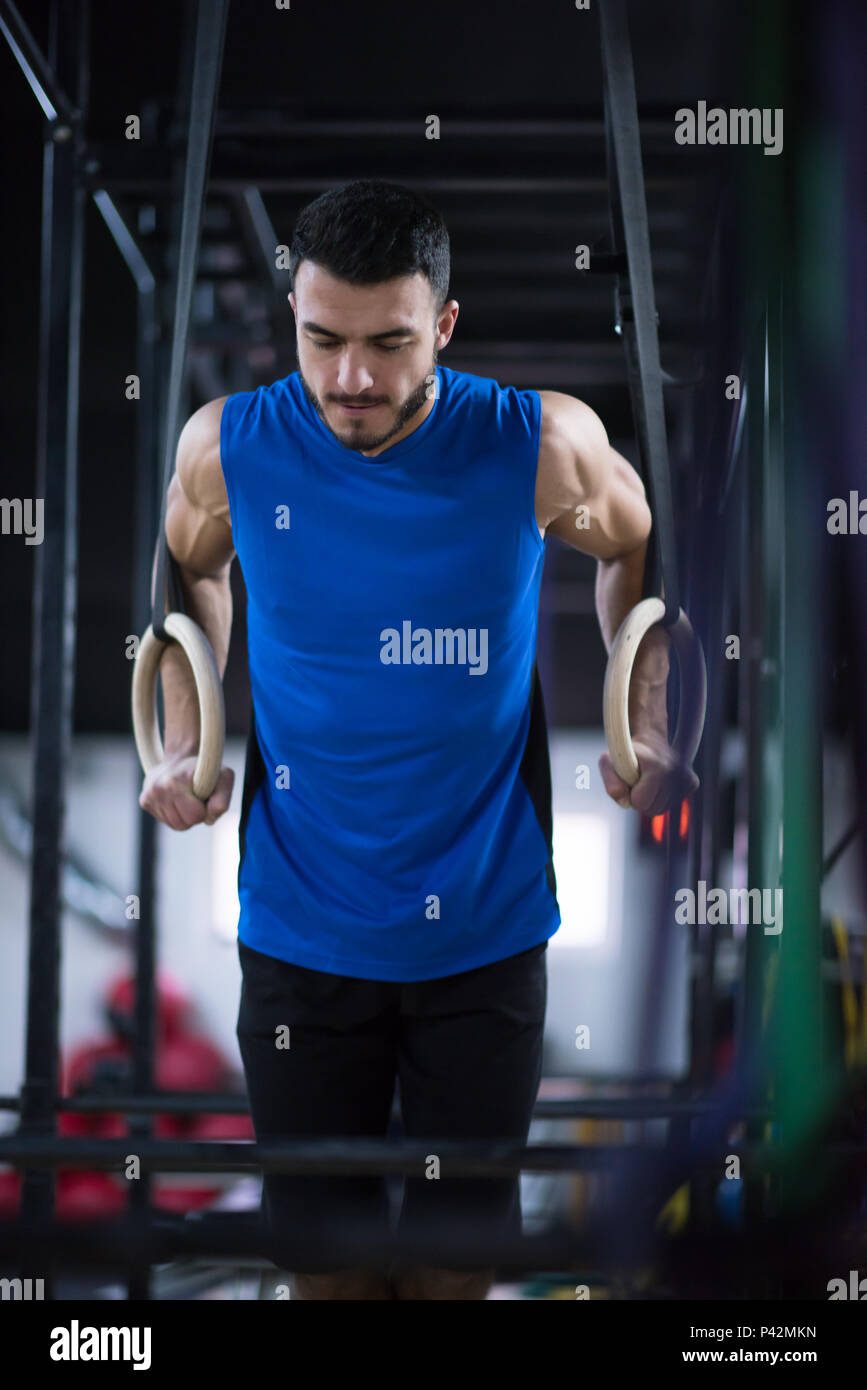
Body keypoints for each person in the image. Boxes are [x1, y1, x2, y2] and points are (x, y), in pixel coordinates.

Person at [139, 179, 696, 1299]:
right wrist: (184, 736)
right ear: (292, 313)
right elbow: (192, 571)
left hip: (483, 934)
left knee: (455, 1271)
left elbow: (636, 550)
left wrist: (645, 720)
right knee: (326, 1275)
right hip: (301, 934)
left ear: (443, 323)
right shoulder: (227, 450)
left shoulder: (538, 442)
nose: (350, 377)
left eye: (389, 343)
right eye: (322, 339)